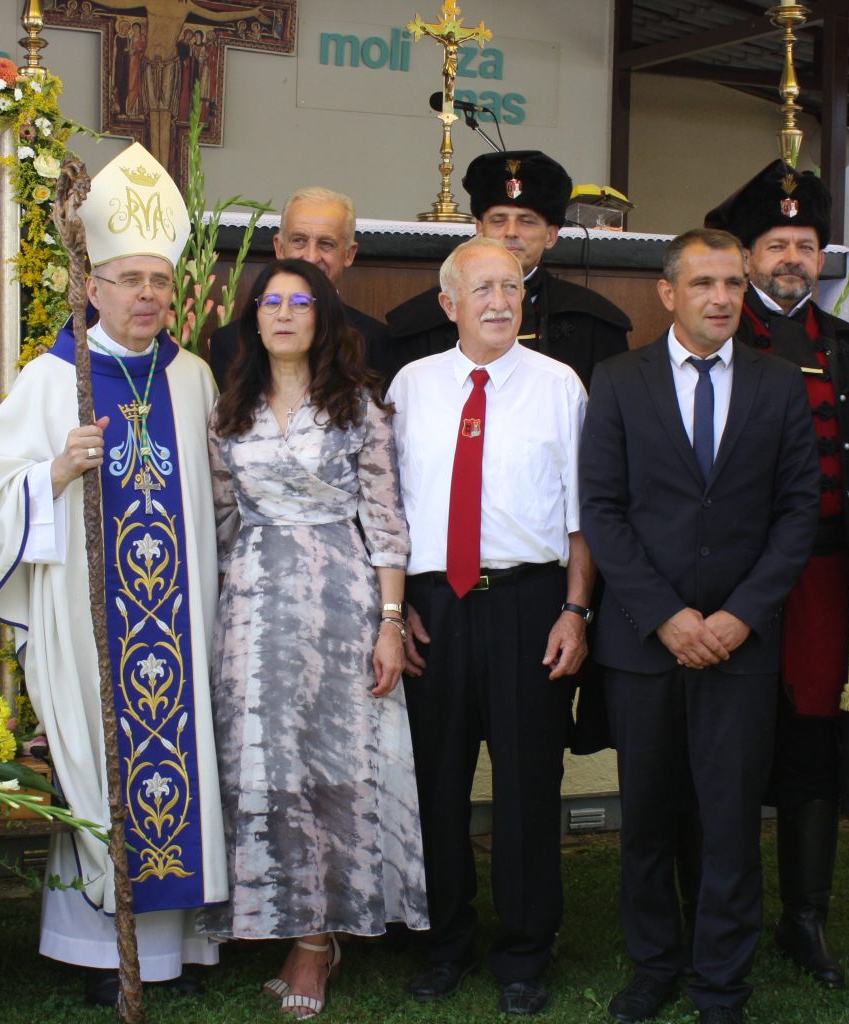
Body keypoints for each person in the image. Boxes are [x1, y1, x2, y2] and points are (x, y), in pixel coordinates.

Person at [0, 142, 227, 1007]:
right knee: (99, 762)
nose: (147, 295)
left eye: (159, 280)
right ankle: (97, 952)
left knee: (180, 758)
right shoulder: (53, 379)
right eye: (129, 280)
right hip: (92, 627)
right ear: (93, 286)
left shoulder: (192, 378)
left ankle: (175, 951)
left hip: (180, 619)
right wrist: (55, 472)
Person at [580, 228, 820, 1024]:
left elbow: (798, 512)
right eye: (704, 284)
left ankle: (721, 980)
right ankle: (655, 966)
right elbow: (603, 511)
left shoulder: (779, 384)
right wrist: (667, 616)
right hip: (644, 645)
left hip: (739, 648)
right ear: (668, 293)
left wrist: (741, 615)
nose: (722, 298)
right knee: (647, 821)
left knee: (729, 823)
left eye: (732, 284)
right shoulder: (618, 381)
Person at [202, 258, 428, 1019]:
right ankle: (277, 914)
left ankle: (317, 940)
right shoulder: (228, 411)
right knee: (267, 762)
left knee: (335, 763)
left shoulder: (359, 408)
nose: (285, 313)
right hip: (255, 603)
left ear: (323, 317)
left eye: (301, 302)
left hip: (341, 598)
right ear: (254, 319)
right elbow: (221, 519)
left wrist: (390, 623)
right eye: (271, 302)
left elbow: (387, 523)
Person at [704, 161, 849, 988]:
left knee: (812, 746)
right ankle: (721, 913)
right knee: (726, 748)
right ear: (747, 255)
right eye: (776, 243)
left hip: (822, 579)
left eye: (806, 244)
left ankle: (805, 918)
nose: (792, 257)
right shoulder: (714, 342)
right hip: (729, 581)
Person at [387, 237, 592, 1017]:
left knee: (528, 783)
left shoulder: (559, 385)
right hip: (433, 609)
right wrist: (395, 607)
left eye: (511, 287)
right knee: (436, 783)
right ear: (449, 304)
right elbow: (387, 509)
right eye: (483, 290)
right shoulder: (411, 386)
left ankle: (526, 951)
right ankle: (444, 941)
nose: (501, 302)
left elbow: (583, 515)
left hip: (529, 604)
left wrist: (575, 610)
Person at [385, 150, 631, 386]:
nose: (511, 232)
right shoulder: (420, 323)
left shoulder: (596, 325)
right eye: (498, 220)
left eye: (526, 221)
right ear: (479, 231)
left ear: (551, 236)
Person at [206, 187, 390, 385]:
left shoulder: (377, 341)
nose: (311, 257)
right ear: (279, 247)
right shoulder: (230, 342)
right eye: (299, 241)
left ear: (349, 254)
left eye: (326, 243)